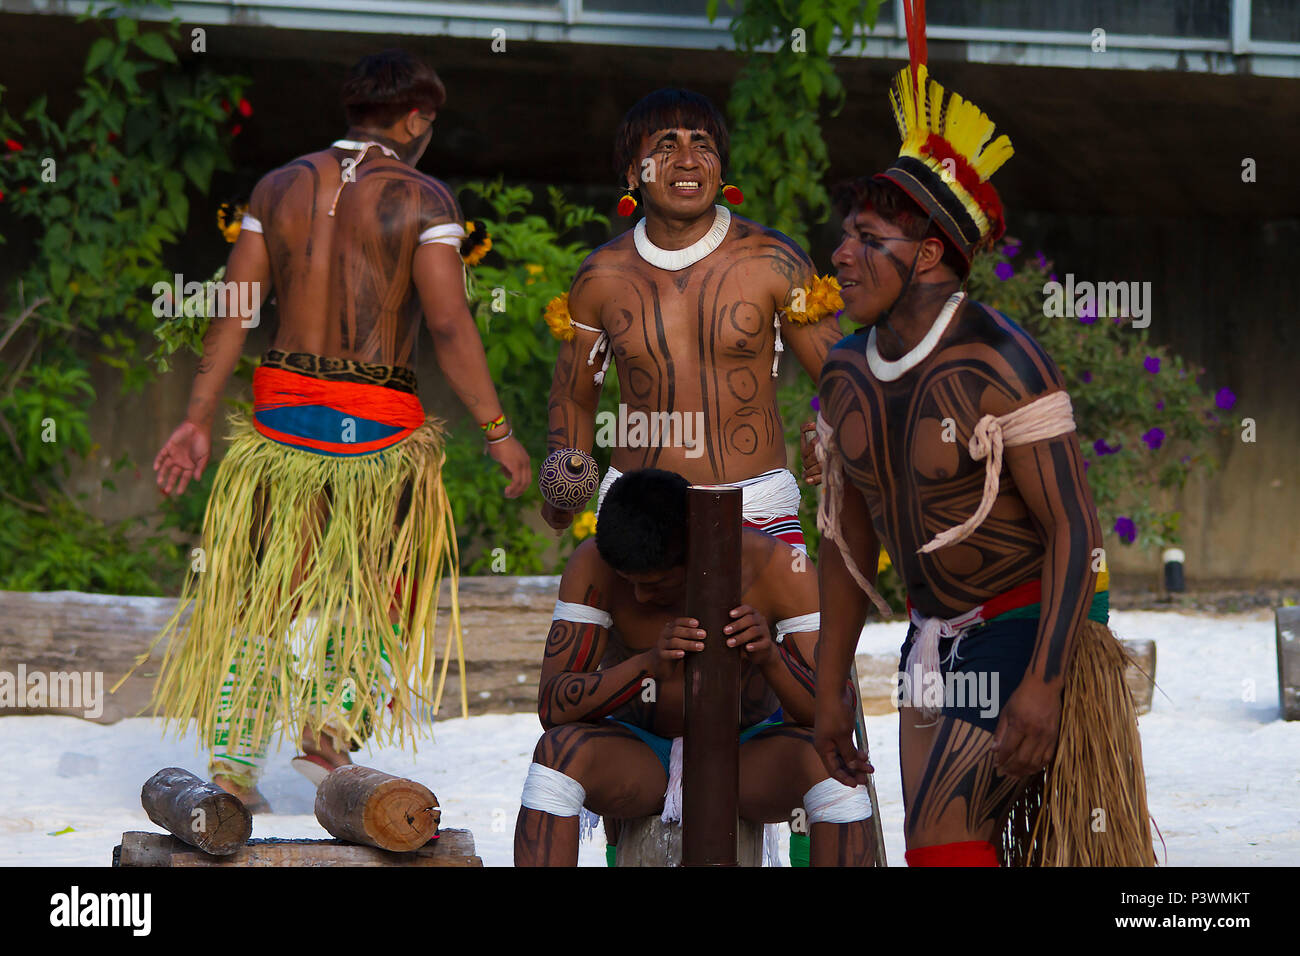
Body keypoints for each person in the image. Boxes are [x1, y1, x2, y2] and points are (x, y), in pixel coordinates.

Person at [812, 2, 1153, 866]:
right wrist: (827, 691)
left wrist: (1042, 683)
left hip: (1026, 624)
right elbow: (849, 551)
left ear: (927, 254)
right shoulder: (845, 374)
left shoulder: (1000, 361)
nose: (841, 256)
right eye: (845, 236)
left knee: (942, 830)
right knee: (940, 849)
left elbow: (1075, 525)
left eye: (866, 238)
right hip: (932, 637)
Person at [150, 49, 530, 811]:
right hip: (377, 429)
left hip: (282, 419)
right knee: (381, 587)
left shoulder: (278, 186)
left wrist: (194, 419)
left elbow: (234, 309)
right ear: (417, 117)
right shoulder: (423, 198)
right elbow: (451, 327)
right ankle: (328, 734)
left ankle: (231, 769)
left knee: (265, 593)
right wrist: (498, 431)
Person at [513, 469, 875, 866]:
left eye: (656, 583)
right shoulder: (592, 565)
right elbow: (552, 707)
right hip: (639, 755)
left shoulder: (778, 566)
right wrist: (646, 666)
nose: (639, 595)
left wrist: (769, 655)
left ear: (698, 550)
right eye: (629, 582)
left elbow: (832, 715)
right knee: (556, 755)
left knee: (837, 768)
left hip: (747, 756)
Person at [541, 88, 844, 551]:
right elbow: (576, 398)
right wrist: (567, 469)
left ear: (720, 169)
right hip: (635, 511)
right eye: (665, 146)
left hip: (757, 507)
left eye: (702, 145)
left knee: (777, 627)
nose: (687, 160)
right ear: (632, 173)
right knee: (588, 622)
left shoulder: (773, 260)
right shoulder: (600, 276)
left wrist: (827, 431)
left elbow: (839, 378)